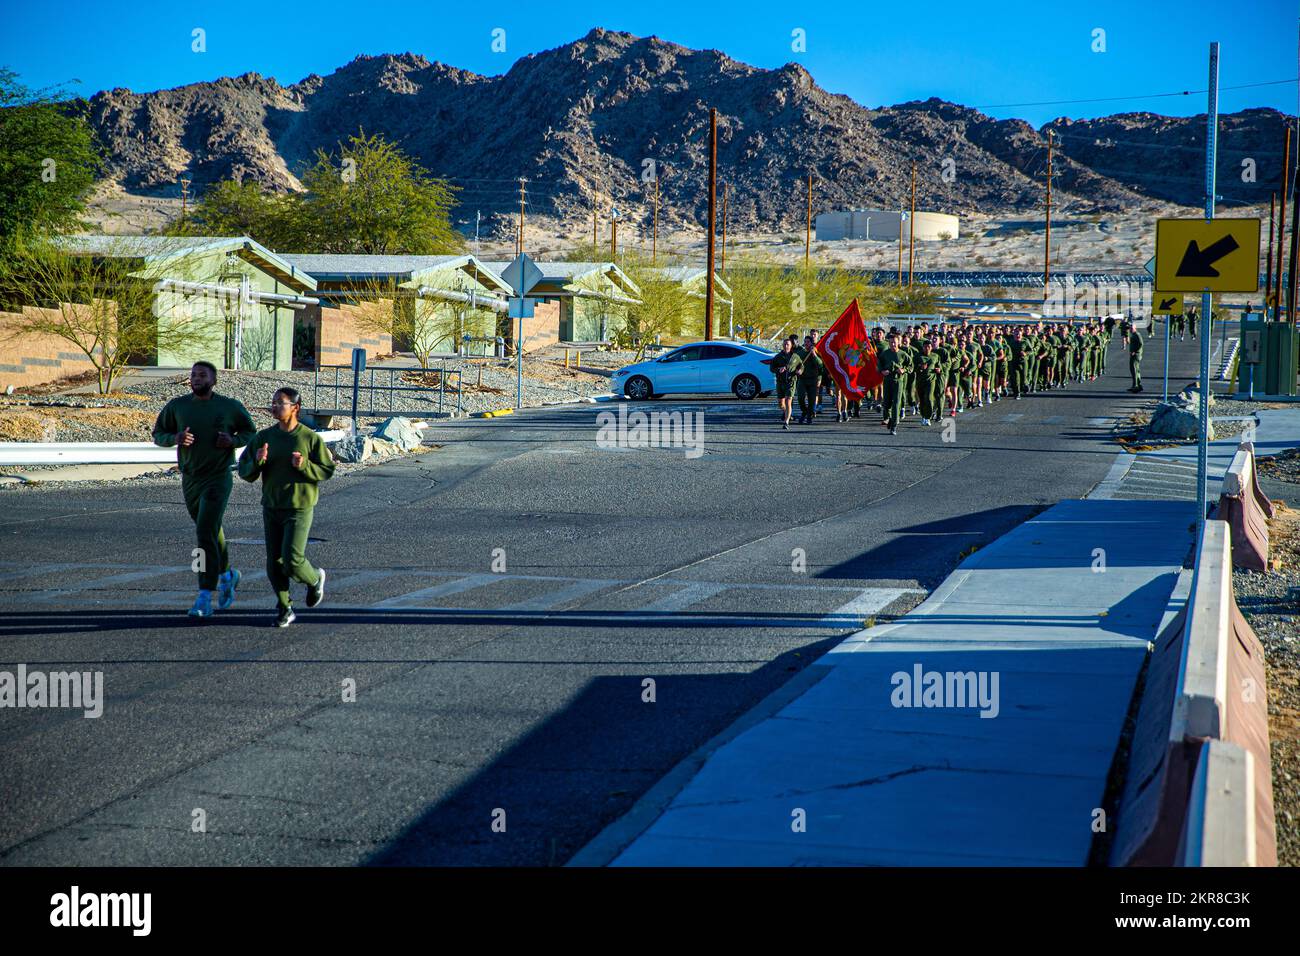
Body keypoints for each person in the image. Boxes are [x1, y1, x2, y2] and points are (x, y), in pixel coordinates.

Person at [152, 361, 257, 619]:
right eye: (193, 375)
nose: (196, 379)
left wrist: (232, 441)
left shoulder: (229, 406)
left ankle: (204, 595)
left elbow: (250, 433)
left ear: (214, 380)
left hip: (218, 478)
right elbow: (159, 434)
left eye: (202, 375)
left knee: (203, 532)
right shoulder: (178, 406)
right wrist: (175, 438)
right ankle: (227, 574)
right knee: (210, 530)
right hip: (190, 479)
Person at [237, 387, 336, 628]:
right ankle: (284, 607)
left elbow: (327, 470)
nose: (274, 406)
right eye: (273, 402)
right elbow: (244, 470)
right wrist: (258, 460)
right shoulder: (263, 437)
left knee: (292, 559)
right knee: (274, 562)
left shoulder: (309, 438)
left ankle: (314, 580)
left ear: (295, 408)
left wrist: (304, 466)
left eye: (280, 403)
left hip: (299, 506)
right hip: (272, 505)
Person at [877, 331, 910, 435]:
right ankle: (889, 419)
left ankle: (894, 426)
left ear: (898, 342)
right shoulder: (885, 354)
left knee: (896, 403)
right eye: (891, 342)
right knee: (886, 404)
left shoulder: (903, 354)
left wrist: (904, 370)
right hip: (887, 381)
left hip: (898, 381)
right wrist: (882, 371)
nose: (893, 344)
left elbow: (911, 366)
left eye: (895, 342)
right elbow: (879, 365)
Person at [788, 335, 825, 425]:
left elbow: (821, 366)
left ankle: (809, 416)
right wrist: (797, 370)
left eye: (808, 342)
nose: (806, 343)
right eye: (805, 342)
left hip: (813, 380)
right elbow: (794, 364)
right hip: (802, 379)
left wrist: (814, 355)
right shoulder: (800, 353)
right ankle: (804, 411)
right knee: (800, 398)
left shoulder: (816, 352)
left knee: (812, 400)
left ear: (811, 343)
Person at [766, 338, 797, 429]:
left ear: (791, 346)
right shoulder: (778, 357)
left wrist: (800, 370)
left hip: (791, 381)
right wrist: (778, 369)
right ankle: (787, 412)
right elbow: (771, 368)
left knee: (788, 401)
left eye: (787, 344)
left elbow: (801, 366)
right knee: (781, 403)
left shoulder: (795, 357)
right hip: (780, 382)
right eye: (784, 344)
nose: (785, 346)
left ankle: (786, 422)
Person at [1128, 326, 1144, 393]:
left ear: (1135, 328)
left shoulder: (1137, 334)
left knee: (1134, 370)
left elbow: (1141, 344)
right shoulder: (1133, 334)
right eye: (1130, 328)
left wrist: (1135, 351)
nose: (1130, 329)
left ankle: (1135, 386)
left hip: (1136, 355)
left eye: (1132, 328)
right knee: (1135, 370)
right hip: (1134, 354)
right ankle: (1138, 385)